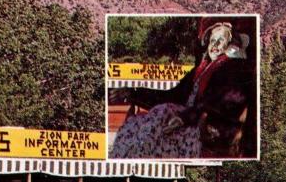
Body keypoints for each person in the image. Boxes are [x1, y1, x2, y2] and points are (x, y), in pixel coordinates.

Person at [109, 17, 256, 159]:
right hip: (187, 123)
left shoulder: (232, 70)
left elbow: (215, 104)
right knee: (138, 126)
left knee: (152, 132)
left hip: (209, 132)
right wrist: (133, 93)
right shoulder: (200, 71)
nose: (215, 45)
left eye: (221, 41)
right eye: (212, 41)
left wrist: (184, 118)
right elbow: (172, 96)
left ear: (230, 45)